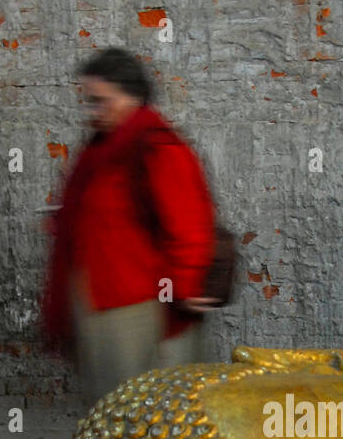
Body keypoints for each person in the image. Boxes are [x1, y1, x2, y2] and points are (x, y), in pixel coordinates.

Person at [41, 48, 218, 404]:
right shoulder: (104, 149)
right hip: (103, 302)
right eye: (89, 102)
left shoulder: (157, 146)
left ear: (131, 97)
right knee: (113, 405)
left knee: (138, 409)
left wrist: (183, 291)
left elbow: (189, 224)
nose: (93, 112)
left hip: (137, 307)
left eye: (101, 101)